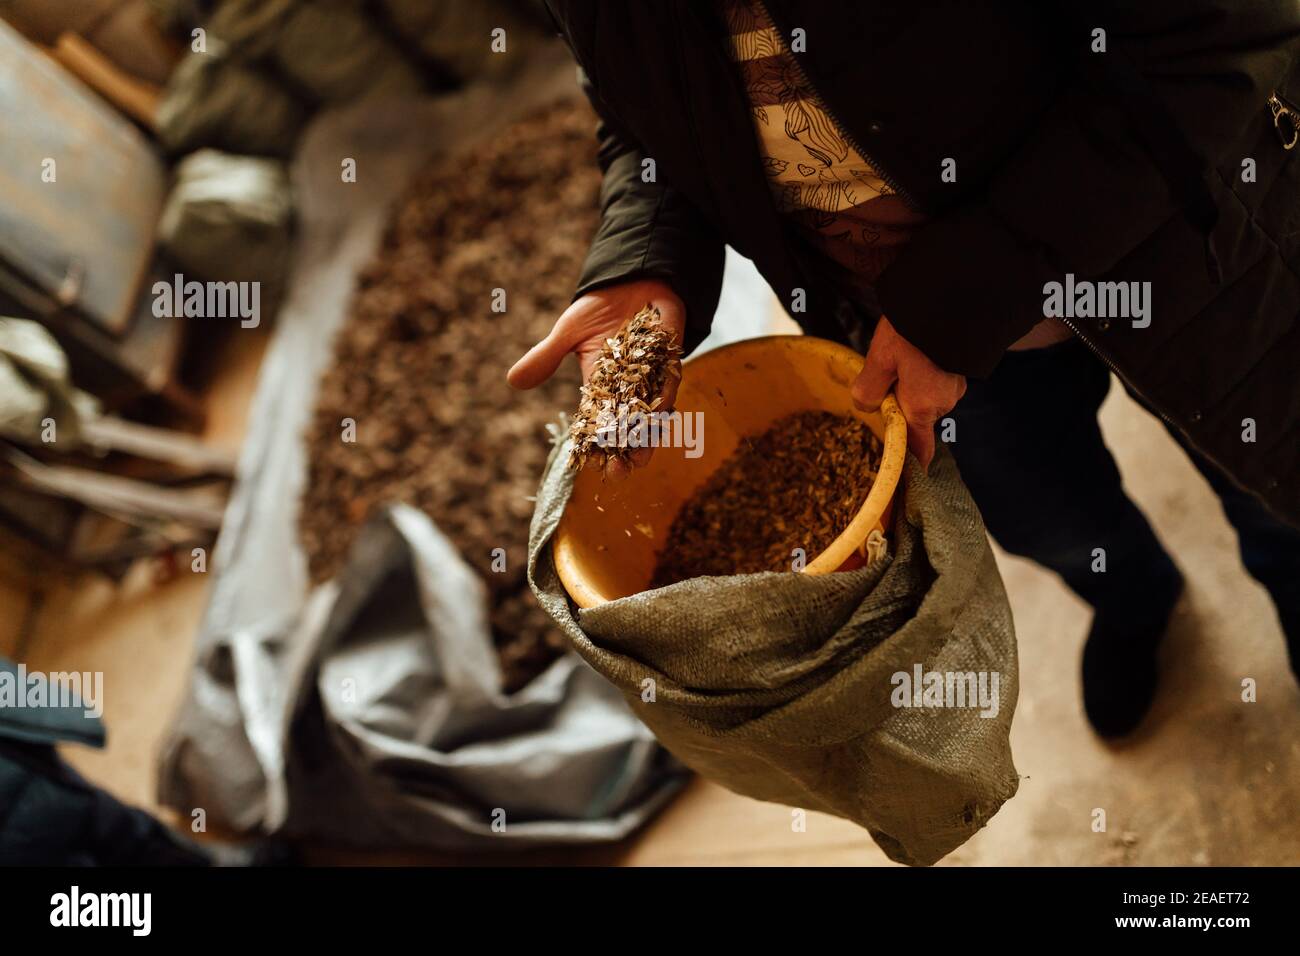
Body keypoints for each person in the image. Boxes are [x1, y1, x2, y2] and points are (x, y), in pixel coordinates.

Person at [509, 0, 1300, 737]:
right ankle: (1132, 594)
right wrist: (642, 255)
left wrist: (962, 296)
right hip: (897, 319)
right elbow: (641, 112)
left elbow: (1222, 34)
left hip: (1178, 234)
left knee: (1266, 465)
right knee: (1040, 512)